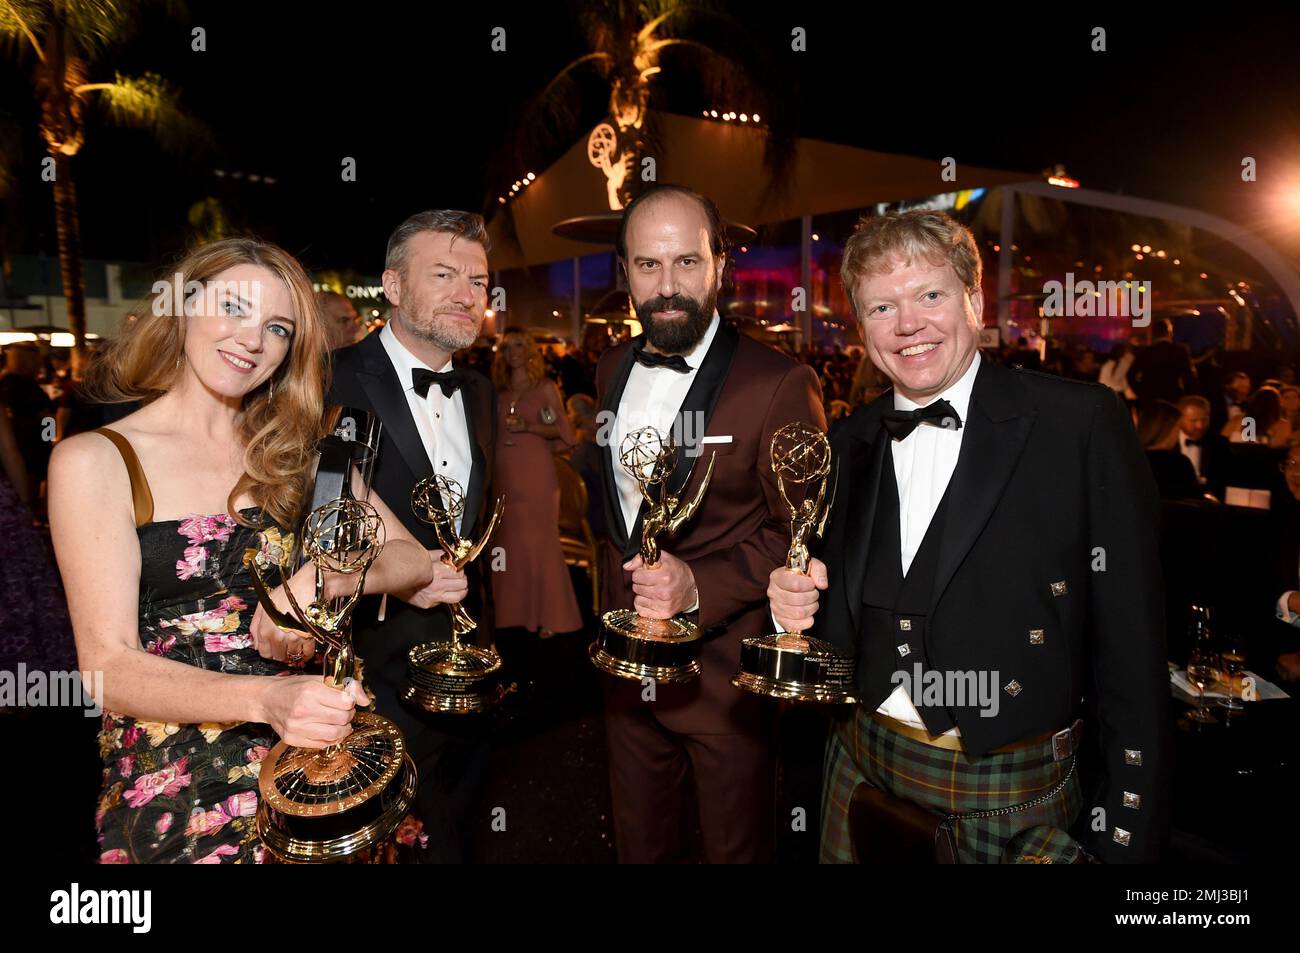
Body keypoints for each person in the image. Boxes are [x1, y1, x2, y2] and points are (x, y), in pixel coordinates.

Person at [769, 209, 1167, 864]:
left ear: (974, 299)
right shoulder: (849, 439)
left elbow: (1134, 646)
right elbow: (836, 617)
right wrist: (796, 607)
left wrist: (1127, 834)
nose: (908, 324)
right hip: (860, 758)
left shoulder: (1079, 424)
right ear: (862, 327)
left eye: (930, 294)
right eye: (881, 307)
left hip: (1007, 788)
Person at [47, 238, 434, 864]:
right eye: (232, 307)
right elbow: (105, 668)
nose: (251, 340)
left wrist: (325, 578)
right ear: (182, 308)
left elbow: (413, 559)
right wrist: (263, 701)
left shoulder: (298, 451)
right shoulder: (96, 460)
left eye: (276, 327)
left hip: (321, 762)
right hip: (185, 772)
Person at [596, 184, 825, 863]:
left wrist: (698, 583)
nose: (667, 287)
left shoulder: (778, 381)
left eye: (686, 262)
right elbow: (617, 514)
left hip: (723, 684)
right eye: (647, 265)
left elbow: (802, 533)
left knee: (735, 851)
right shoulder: (610, 367)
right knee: (640, 848)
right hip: (624, 682)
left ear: (719, 266)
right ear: (625, 273)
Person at [328, 210, 498, 863]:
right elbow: (318, 524)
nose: (468, 294)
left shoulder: (480, 391)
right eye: (445, 274)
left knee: (457, 835)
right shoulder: (331, 377)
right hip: (373, 678)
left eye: (479, 280)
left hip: (470, 676)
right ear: (393, 286)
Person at [491, 326, 582, 637]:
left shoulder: (543, 389)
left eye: (519, 345)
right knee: (509, 545)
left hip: (536, 477)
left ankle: (551, 616)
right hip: (504, 477)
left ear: (529, 350)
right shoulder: (499, 392)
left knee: (539, 544)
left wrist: (528, 425)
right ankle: (512, 613)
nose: (513, 352)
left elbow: (560, 429)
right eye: (507, 347)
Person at [0, 341, 56, 501]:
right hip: (32, 446)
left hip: (14, 445)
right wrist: (50, 440)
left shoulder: (4, 384)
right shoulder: (30, 388)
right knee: (28, 490)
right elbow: (48, 418)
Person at [1137, 400, 1202, 501]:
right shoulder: (1178, 463)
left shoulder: (1130, 458)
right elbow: (1194, 501)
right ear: (1168, 429)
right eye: (1178, 427)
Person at [1129, 319, 1194, 402]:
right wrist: (1189, 395)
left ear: (1154, 334)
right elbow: (1188, 376)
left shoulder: (1146, 352)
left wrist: (1141, 392)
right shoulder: (1179, 350)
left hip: (1151, 397)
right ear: (1169, 333)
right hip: (1173, 395)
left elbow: (1131, 374)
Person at [1176, 395, 1228, 499]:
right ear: (1180, 418)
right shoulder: (1169, 442)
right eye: (1193, 421)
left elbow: (1225, 478)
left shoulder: (1220, 443)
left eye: (1204, 419)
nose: (1200, 425)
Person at [1223, 385, 1292, 446]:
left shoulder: (1237, 420)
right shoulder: (1282, 425)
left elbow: (1222, 441)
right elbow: (1276, 447)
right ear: (1277, 405)